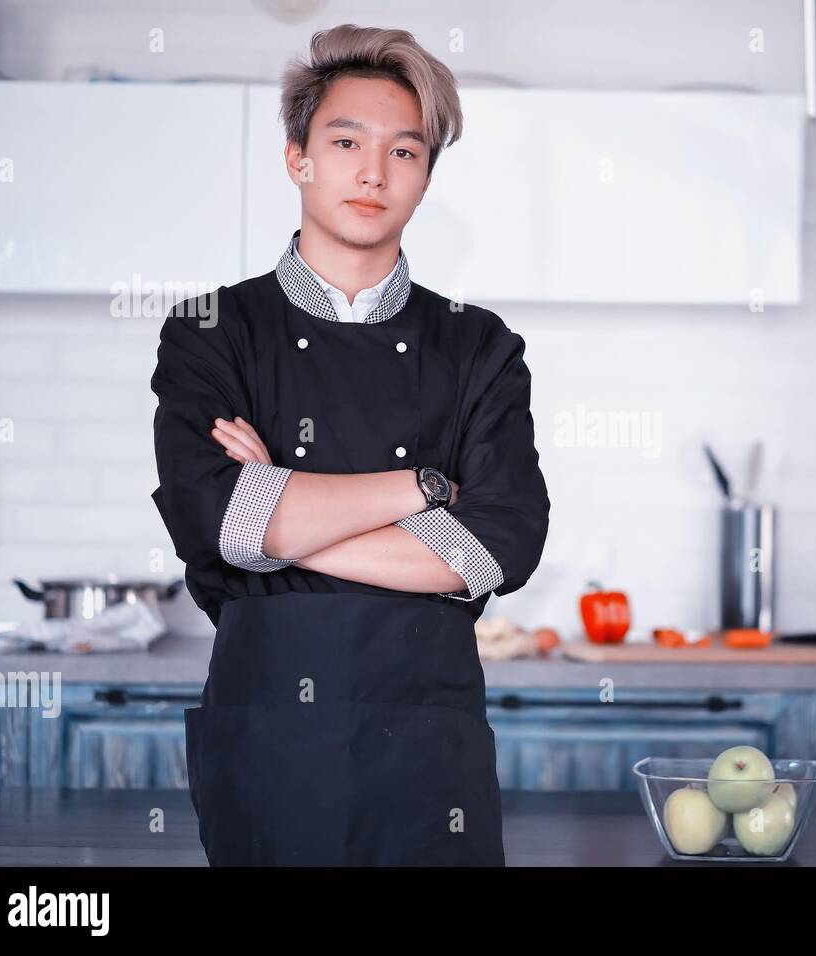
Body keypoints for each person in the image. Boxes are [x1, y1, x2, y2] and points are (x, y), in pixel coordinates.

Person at [149, 24, 550, 866]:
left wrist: (284, 512)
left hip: (428, 753)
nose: (374, 172)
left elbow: (497, 550)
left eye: (405, 152)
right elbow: (219, 525)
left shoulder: (479, 346)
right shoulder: (210, 333)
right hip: (268, 749)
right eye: (345, 141)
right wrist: (424, 490)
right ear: (298, 158)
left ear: (427, 177)